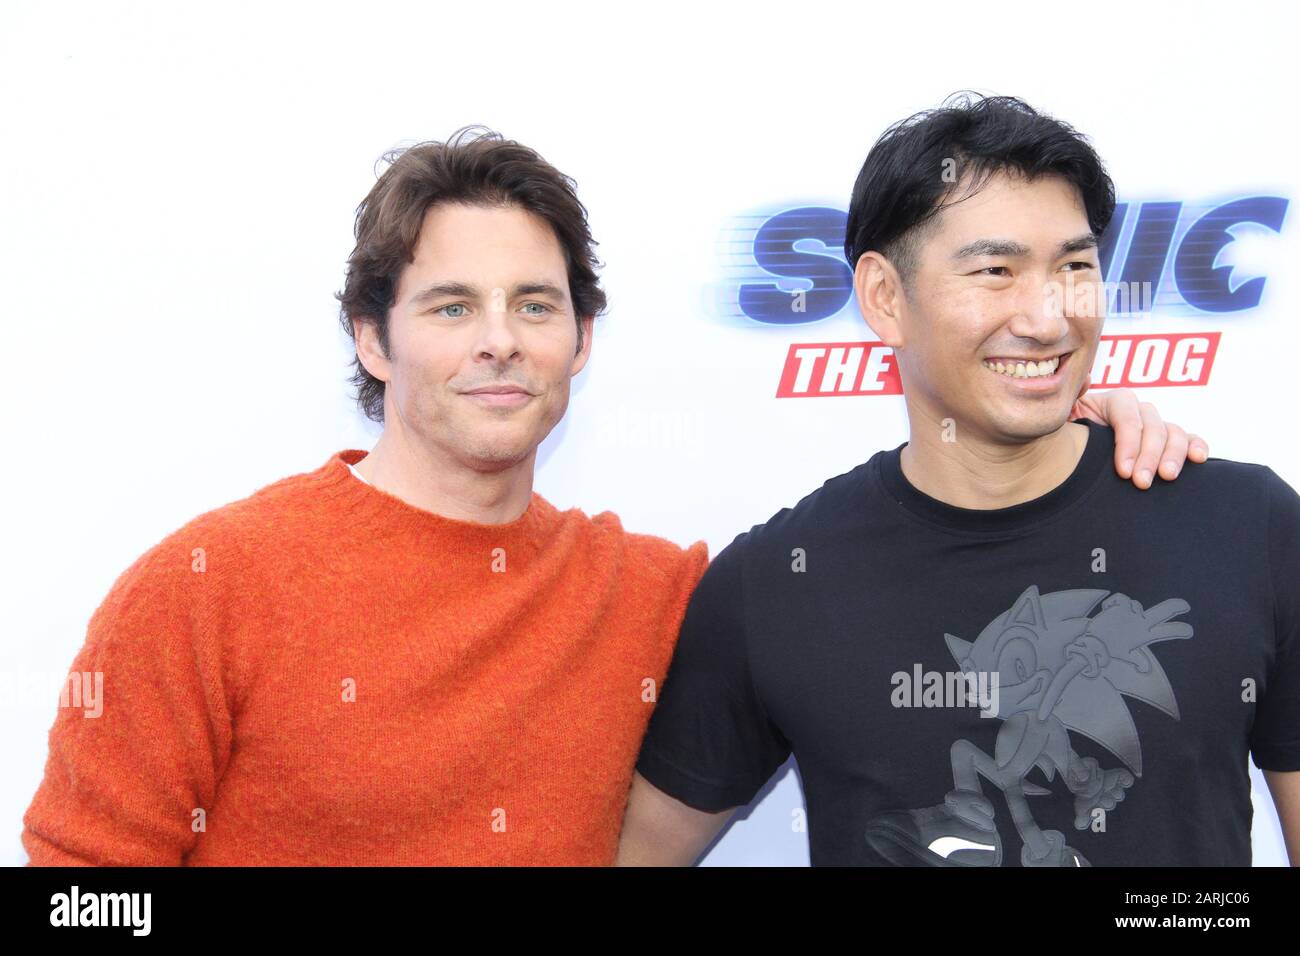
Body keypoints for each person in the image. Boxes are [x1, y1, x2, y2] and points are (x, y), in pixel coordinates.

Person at [22, 125, 1201, 866]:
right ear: (370, 337)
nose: (499, 342)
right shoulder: (208, 583)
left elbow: (894, 557)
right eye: (450, 307)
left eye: (535, 305)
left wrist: (1076, 424)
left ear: (583, 339)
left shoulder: (660, 592)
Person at [617, 94, 1299, 867]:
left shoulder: (1250, 528)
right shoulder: (776, 583)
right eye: (995, 271)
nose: (1046, 318)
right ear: (884, 298)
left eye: (1074, 267)